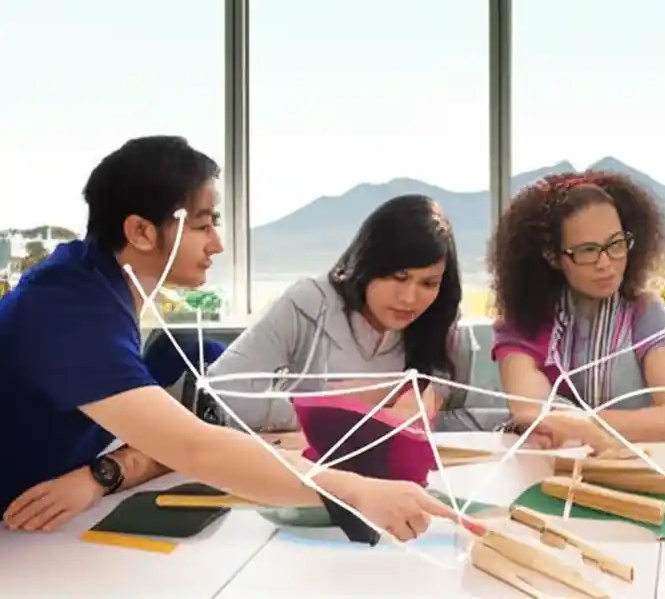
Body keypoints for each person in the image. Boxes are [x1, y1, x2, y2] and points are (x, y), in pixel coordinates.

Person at [0, 136, 481, 542]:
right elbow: (196, 446)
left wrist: (101, 477)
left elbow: (173, 438)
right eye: (203, 224)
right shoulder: (71, 313)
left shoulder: (94, 288)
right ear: (141, 231)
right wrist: (355, 492)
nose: (217, 243)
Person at [207, 194, 467, 436]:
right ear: (368, 263)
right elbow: (224, 387)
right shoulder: (310, 303)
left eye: (429, 283)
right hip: (298, 462)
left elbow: (426, 413)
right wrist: (332, 409)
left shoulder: (438, 321)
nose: (410, 298)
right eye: (398, 277)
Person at [488, 169, 665, 451]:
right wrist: (598, 427)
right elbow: (532, 413)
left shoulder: (644, 311)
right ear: (551, 256)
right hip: (552, 471)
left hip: (636, 467)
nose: (605, 263)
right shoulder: (524, 318)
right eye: (587, 251)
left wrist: (582, 425)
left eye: (616, 245)